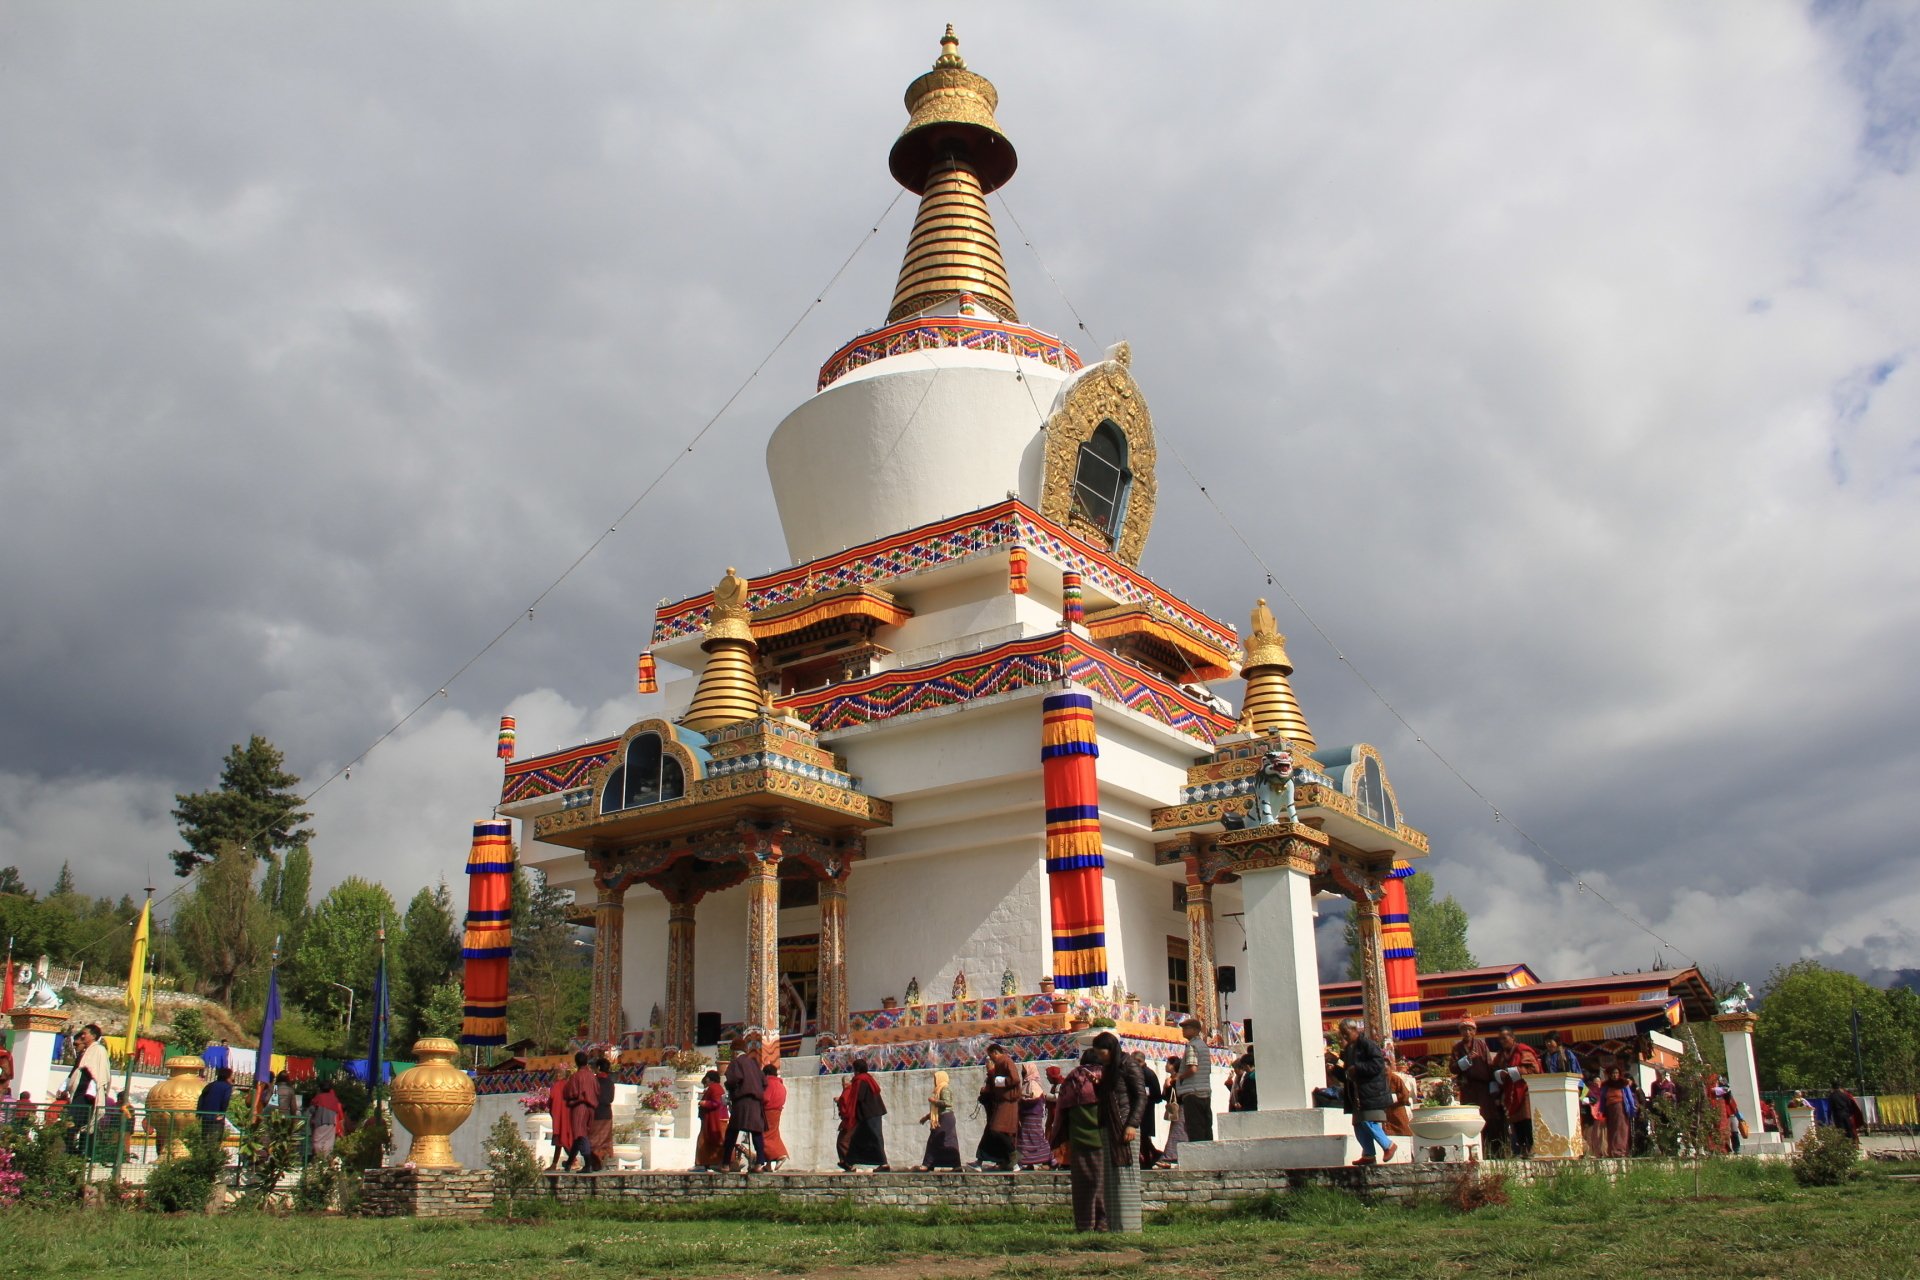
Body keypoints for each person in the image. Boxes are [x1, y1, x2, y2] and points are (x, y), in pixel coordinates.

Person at [1092, 1031, 1147, 1233]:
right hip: (1110, 1124)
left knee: (1125, 1176)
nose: (1100, 1057)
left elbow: (1141, 1096)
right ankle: (1115, 1226)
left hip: (1124, 1126)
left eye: (1102, 1052)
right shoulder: (1109, 1068)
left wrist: (1132, 1123)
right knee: (1112, 1179)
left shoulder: (1128, 1064)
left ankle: (1130, 1227)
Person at [1051, 1046, 1107, 1231]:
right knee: (1104, 1183)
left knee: (1083, 1184)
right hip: (1104, 1139)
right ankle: (1104, 1222)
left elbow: (1061, 1112)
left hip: (1079, 1138)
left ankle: (1085, 1224)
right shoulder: (1107, 1077)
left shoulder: (1073, 1078)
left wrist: (1058, 1136)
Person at [1337, 1018, 1398, 1166]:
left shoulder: (1367, 1045)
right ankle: (1368, 1153)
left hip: (1370, 1091)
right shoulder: (1349, 1049)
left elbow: (1377, 1065)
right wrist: (1335, 1070)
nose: (1344, 1037)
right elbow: (1347, 1073)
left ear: (1354, 1030)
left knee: (1367, 1120)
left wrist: (1358, 1068)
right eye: (1342, 1034)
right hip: (1356, 1093)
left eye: (1346, 1033)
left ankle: (1388, 1145)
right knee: (1359, 1124)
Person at [1450, 1017, 1504, 1156]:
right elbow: (1453, 1068)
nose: (1467, 1032)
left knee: (1488, 1118)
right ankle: (1475, 1150)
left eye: (1469, 1029)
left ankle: (1492, 1151)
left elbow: (1489, 1064)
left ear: (1474, 1031)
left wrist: (1493, 1086)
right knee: (1471, 1120)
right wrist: (1465, 1061)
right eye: (1464, 1030)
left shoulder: (1481, 1045)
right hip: (1468, 1088)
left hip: (1483, 1088)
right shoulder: (1457, 1048)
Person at [63, 1021, 111, 1156]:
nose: (82, 1036)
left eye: (85, 1034)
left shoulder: (98, 1050)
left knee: (77, 1123)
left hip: (87, 1096)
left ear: (93, 1036)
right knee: (74, 1124)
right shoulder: (86, 1052)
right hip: (79, 1093)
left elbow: (100, 1072)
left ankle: (80, 1152)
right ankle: (75, 1151)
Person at [1493, 1027, 1542, 1157]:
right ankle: (1522, 1148)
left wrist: (1514, 1071)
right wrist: (1499, 1074)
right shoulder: (1500, 1056)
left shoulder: (1523, 1051)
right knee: (1516, 1122)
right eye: (1500, 1039)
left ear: (1513, 1037)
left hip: (1524, 1090)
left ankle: (1533, 1147)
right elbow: (1494, 1069)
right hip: (1510, 1092)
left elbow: (1534, 1068)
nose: (1503, 1041)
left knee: (1527, 1119)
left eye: (1505, 1038)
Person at [723, 1038, 768, 1173]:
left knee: (732, 1132)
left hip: (742, 1102)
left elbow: (733, 1080)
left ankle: (725, 1164)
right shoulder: (754, 1064)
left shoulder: (736, 1062)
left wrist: (732, 1090)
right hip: (756, 1103)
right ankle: (760, 1163)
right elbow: (764, 1082)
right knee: (756, 1132)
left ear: (735, 1052)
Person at [973, 1043, 1020, 1170]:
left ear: (995, 1052)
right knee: (996, 1131)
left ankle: (1013, 1154)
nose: (990, 1059)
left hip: (1007, 1102)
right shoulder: (1001, 1064)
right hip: (1001, 1102)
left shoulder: (1006, 1061)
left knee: (996, 1130)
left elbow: (1015, 1079)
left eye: (990, 1056)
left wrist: (1000, 1081)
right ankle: (1010, 1160)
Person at [841, 1059, 890, 1171]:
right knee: (858, 1138)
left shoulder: (860, 1081)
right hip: (871, 1113)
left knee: (875, 1137)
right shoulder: (867, 1078)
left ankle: (884, 1164)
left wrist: (845, 1100)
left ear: (856, 1070)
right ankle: (849, 1161)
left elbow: (859, 1097)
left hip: (869, 1114)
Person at [1174, 1019, 1213, 1143]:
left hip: (1192, 1091)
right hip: (1204, 1090)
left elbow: (1193, 1068)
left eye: (1186, 1028)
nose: (1183, 1031)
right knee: (1206, 1126)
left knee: (1195, 1127)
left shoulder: (1192, 1046)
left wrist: (1179, 1077)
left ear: (1195, 1030)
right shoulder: (1203, 1046)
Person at [561, 1051, 601, 1172]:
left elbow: (568, 1093)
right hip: (591, 1108)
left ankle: (588, 1164)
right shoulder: (592, 1077)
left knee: (580, 1134)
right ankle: (569, 1162)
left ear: (576, 1062)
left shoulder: (576, 1077)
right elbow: (598, 1092)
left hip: (580, 1108)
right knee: (579, 1136)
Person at [915, 1069, 961, 1171]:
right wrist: (926, 1118)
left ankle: (928, 1164)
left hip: (946, 1118)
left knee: (936, 1140)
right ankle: (954, 1165)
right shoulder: (938, 1090)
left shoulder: (944, 1089)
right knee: (944, 1140)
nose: (935, 1081)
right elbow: (938, 1110)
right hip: (942, 1117)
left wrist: (934, 1101)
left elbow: (947, 1103)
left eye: (936, 1078)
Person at [1016, 1062, 1053, 1169]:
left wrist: (1020, 1099)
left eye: (1024, 1071)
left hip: (1032, 1115)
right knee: (1027, 1139)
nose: (1023, 1073)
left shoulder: (1032, 1084)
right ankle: (1029, 1162)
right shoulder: (1027, 1084)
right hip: (1027, 1116)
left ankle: (1048, 1159)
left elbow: (1034, 1098)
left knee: (1036, 1137)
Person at [1131, 1051, 1162, 1168]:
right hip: (1144, 1108)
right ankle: (1150, 1157)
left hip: (1146, 1109)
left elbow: (1156, 1095)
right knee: (1143, 1136)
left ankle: (1150, 1158)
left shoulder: (1147, 1074)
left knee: (1143, 1135)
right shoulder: (1145, 1073)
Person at [1598, 1065, 1636, 1158]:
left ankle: (1620, 1151)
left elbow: (1629, 1097)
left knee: (1621, 1129)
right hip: (1610, 1110)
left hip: (1621, 1109)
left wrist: (1632, 1109)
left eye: (1616, 1073)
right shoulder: (1606, 1085)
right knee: (1612, 1130)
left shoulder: (1623, 1083)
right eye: (1613, 1073)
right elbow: (1602, 1098)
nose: (1615, 1075)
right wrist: (1601, 1111)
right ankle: (1612, 1151)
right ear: (1610, 1075)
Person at [695, 1070, 729, 1170]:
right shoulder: (718, 1088)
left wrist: (704, 1103)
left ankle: (708, 1162)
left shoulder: (715, 1088)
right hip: (715, 1118)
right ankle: (709, 1162)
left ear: (708, 1079)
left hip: (715, 1119)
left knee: (713, 1140)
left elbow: (716, 1103)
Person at [1156, 1054, 1185, 1167]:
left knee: (1177, 1131)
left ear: (1173, 1065)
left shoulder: (1178, 1079)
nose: (1166, 1066)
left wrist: (1169, 1085)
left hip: (1181, 1108)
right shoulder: (1171, 1078)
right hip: (1177, 1109)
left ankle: (1170, 1157)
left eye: (1168, 1063)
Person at [306, 1080, 345, 1160]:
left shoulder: (319, 1097)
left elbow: (311, 1109)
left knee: (317, 1142)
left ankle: (319, 1159)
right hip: (331, 1123)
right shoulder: (334, 1098)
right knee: (329, 1142)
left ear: (320, 1088)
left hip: (320, 1122)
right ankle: (326, 1160)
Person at [195, 1067, 234, 1147]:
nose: (232, 1078)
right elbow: (225, 1100)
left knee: (205, 1138)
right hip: (216, 1117)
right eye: (231, 1076)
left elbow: (201, 1098)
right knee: (215, 1140)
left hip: (205, 1115)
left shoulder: (211, 1085)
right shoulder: (227, 1087)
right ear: (227, 1076)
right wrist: (222, 1113)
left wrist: (199, 1112)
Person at [589, 1057, 616, 1170]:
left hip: (595, 1113)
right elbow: (610, 1098)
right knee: (604, 1139)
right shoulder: (610, 1082)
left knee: (593, 1139)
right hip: (606, 1113)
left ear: (599, 1068)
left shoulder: (594, 1081)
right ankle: (601, 1159)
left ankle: (596, 1160)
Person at [762, 1059, 789, 1170]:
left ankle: (779, 1155)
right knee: (774, 1135)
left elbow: (765, 1098)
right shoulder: (780, 1084)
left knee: (764, 1136)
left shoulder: (769, 1083)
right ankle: (769, 1164)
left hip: (768, 1111)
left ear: (766, 1074)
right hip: (777, 1111)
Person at [1384, 1052, 1418, 1140]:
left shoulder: (1395, 1079)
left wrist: (1393, 1098)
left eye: (1385, 1068)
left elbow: (1405, 1095)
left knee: (1404, 1132)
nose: (1383, 1070)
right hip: (1385, 1113)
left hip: (1397, 1110)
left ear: (1389, 1067)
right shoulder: (1378, 1079)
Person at [547, 1071, 574, 1170]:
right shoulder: (569, 1085)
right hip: (568, 1116)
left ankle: (574, 1161)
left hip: (559, 1117)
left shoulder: (556, 1085)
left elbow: (551, 1099)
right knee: (561, 1140)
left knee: (561, 1140)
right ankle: (554, 1164)